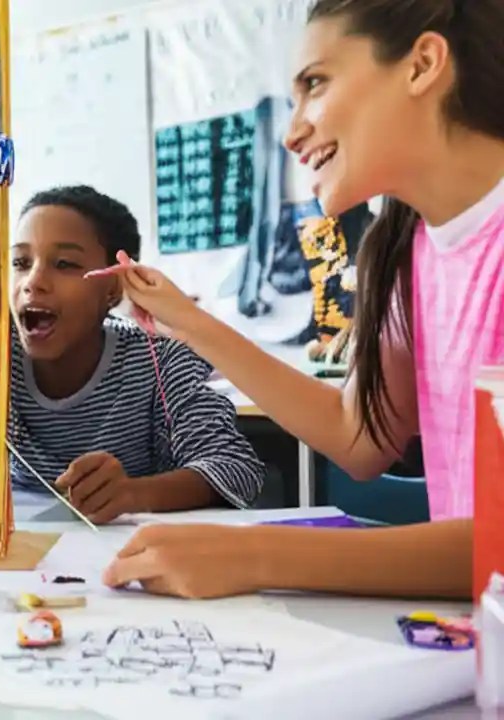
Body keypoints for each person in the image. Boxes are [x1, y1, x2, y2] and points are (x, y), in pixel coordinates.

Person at [101, 0, 503, 599]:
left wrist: (259, 553)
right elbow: (359, 437)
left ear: (422, 64)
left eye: (315, 84)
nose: (291, 133)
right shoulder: (407, 255)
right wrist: (187, 321)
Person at [0, 186, 265, 523]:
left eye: (64, 264)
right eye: (20, 263)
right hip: (27, 555)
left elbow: (235, 468)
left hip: (125, 550)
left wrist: (134, 494)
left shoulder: (159, 361)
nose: (33, 281)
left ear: (112, 289)